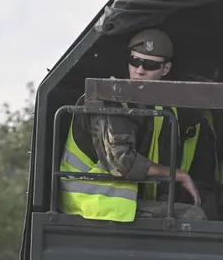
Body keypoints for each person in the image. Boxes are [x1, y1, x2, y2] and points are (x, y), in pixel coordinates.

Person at [58, 28, 205, 221]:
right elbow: (122, 162)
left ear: (165, 69)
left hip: (119, 204)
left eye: (150, 65)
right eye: (135, 61)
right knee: (193, 216)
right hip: (91, 205)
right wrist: (179, 175)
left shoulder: (161, 111)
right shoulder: (106, 99)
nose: (140, 70)